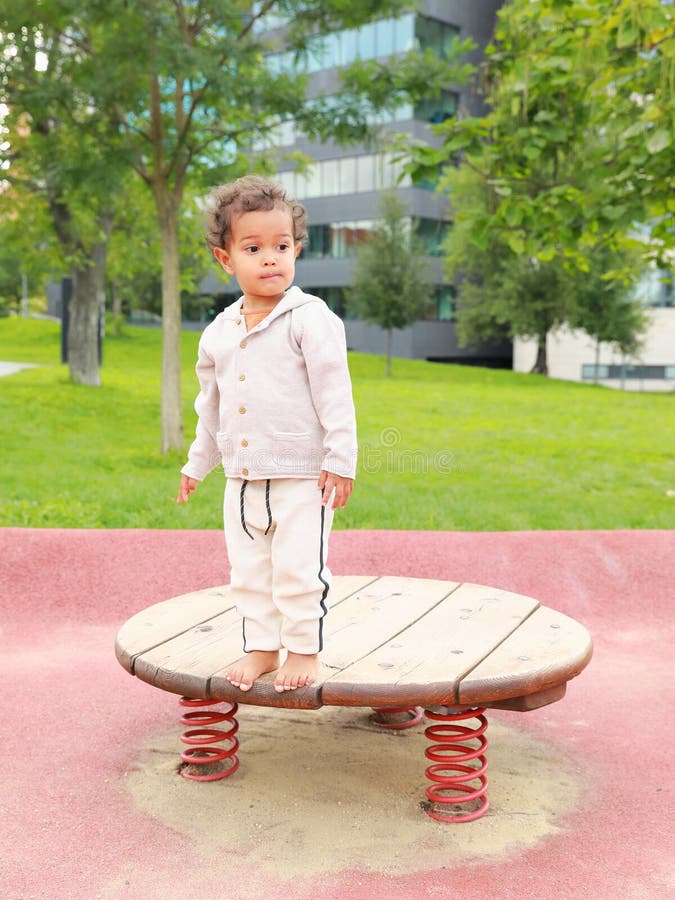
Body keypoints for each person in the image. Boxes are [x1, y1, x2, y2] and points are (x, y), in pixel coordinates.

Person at [177, 175, 357, 694]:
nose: (270, 258)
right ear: (225, 258)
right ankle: (262, 647)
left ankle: (303, 649)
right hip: (242, 480)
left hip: (303, 477)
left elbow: (335, 393)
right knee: (249, 572)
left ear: (297, 249)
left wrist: (340, 459)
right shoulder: (219, 332)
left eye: (281, 246)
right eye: (254, 248)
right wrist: (197, 463)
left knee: (299, 571)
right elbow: (210, 407)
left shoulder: (311, 319)